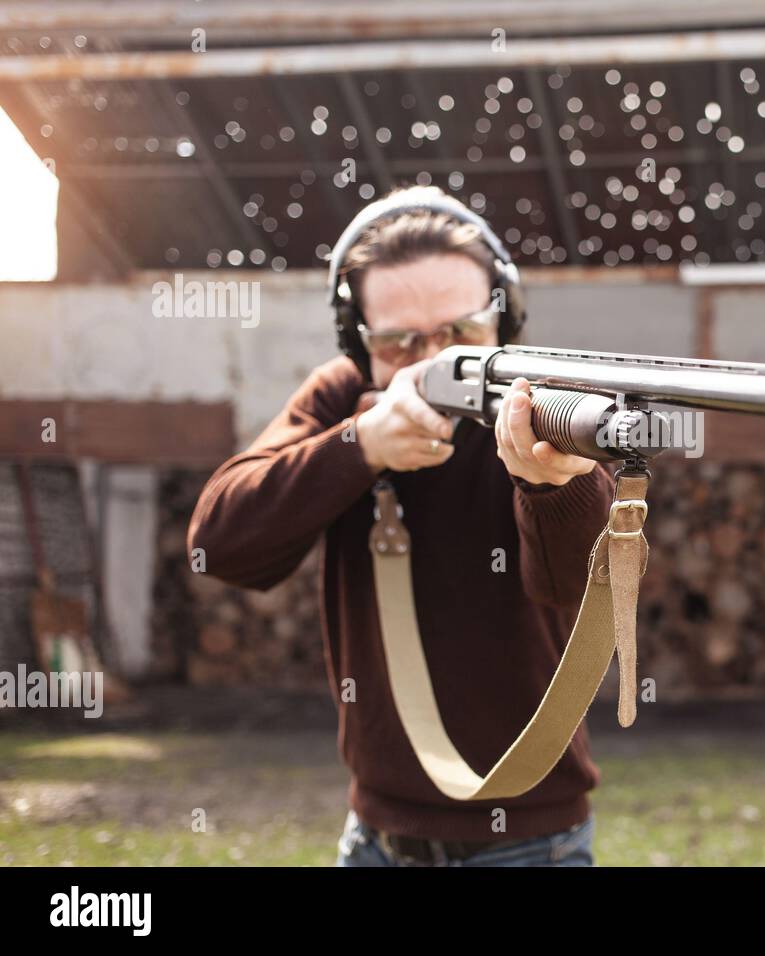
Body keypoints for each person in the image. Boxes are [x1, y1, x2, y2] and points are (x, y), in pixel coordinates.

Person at [187, 186, 614, 866]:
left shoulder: (540, 401)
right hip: (377, 837)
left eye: (461, 332)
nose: (431, 360)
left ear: (505, 319)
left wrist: (553, 482)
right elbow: (220, 546)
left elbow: (575, 590)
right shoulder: (340, 397)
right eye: (398, 342)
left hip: (532, 838)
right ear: (357, 343)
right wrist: (359, 447)